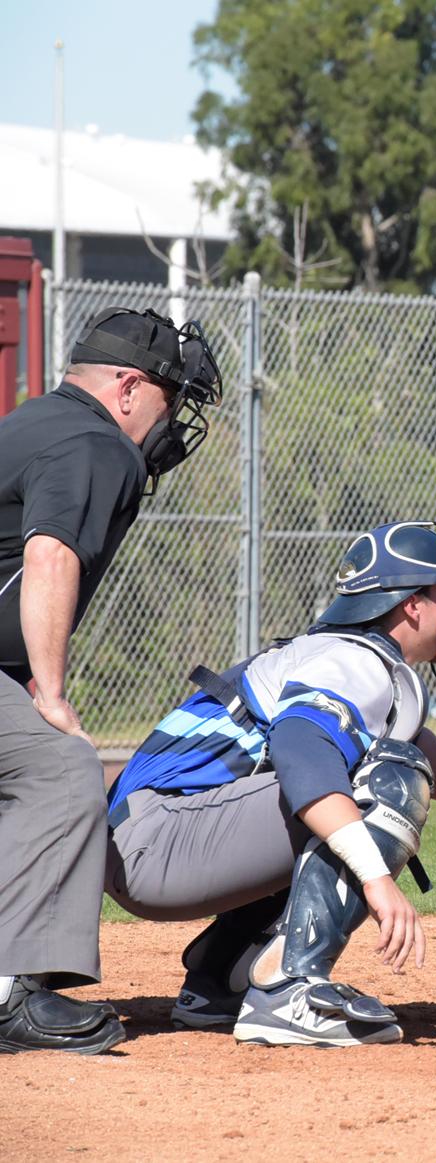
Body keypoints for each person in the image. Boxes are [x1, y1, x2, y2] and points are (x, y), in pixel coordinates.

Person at [102, 521, 436, 1047]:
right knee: (381, 783)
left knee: (375, 774)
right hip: (158, 841)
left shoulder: (365, 662)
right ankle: (287, 990)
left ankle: (220, 982)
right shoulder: (351, 663)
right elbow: (302, 755)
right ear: (412, 605)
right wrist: (376, 879)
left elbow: (414, 742)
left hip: (157, 839)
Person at [0, 307, 222, 1054]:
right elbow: (52, 554)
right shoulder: (98, 442)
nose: (171, 423)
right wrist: (52, 692)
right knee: (61, 766)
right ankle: (8, 995)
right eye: (169, 398)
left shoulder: (33, 421)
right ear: (127, 387)